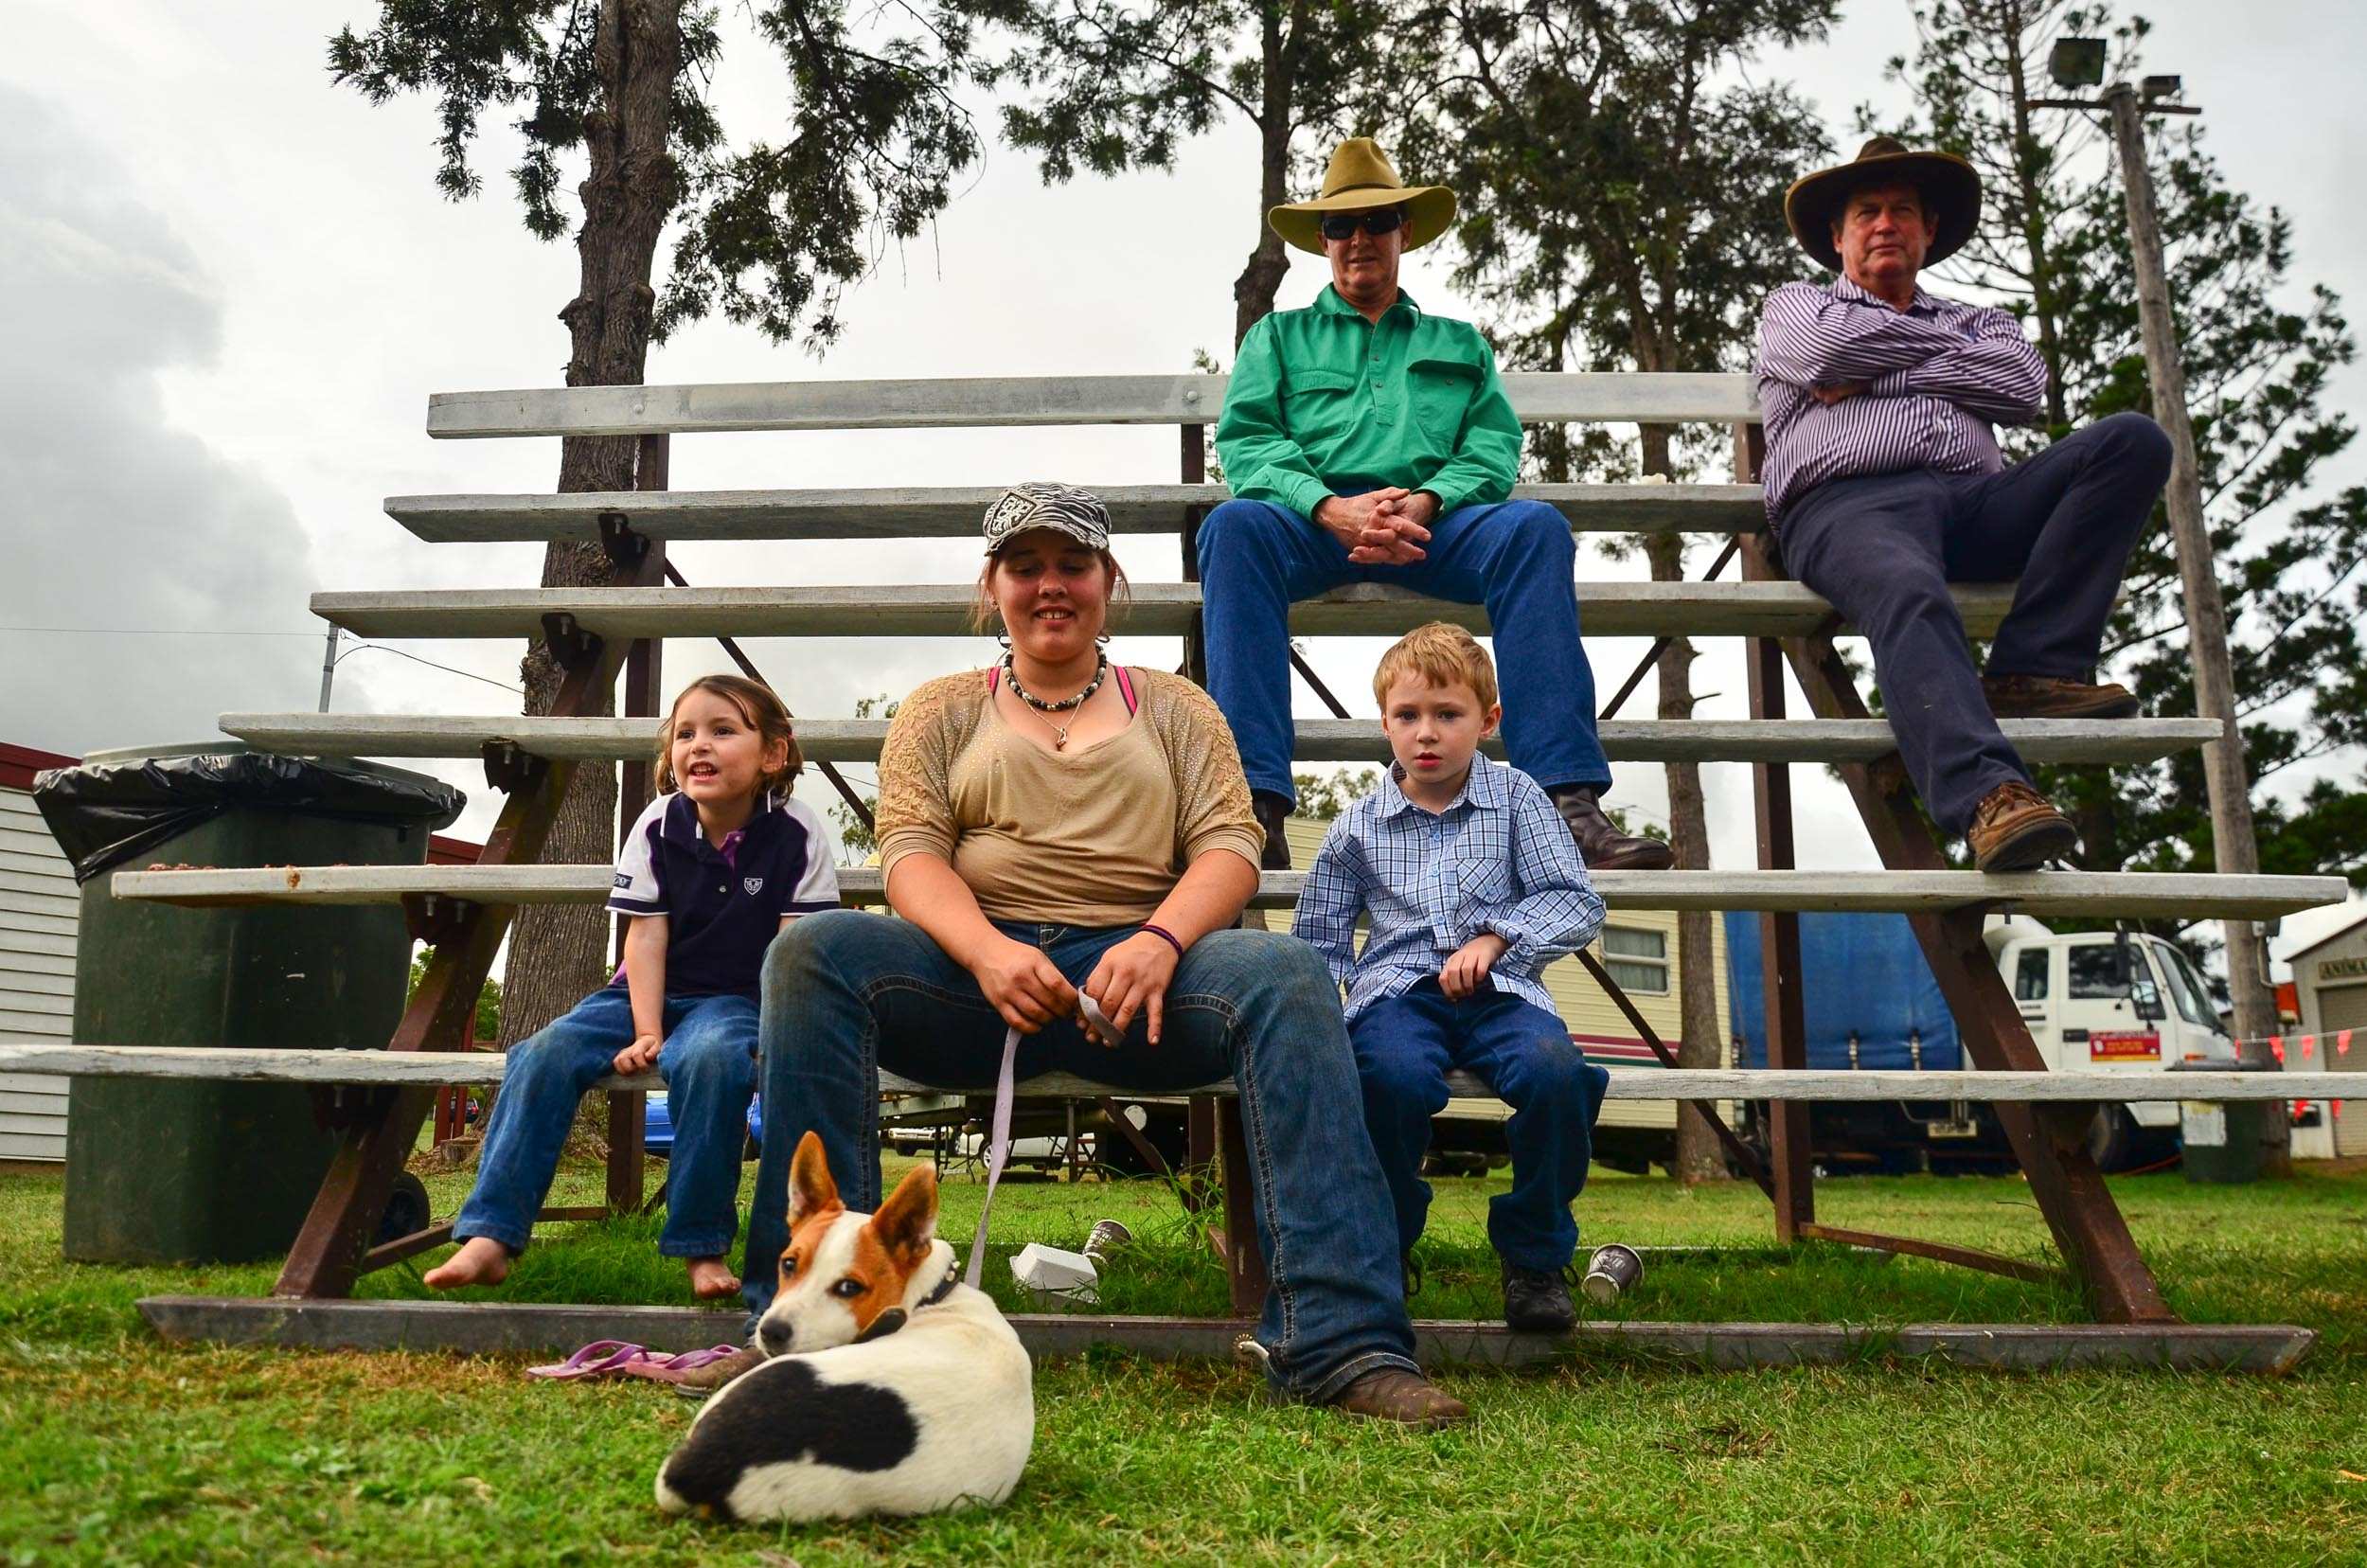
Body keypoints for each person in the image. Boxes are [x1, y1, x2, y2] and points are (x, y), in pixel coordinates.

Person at [732, 482, 1468, 1427]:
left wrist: (1162, 939)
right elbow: (911, 855)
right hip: (972, 983)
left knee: (1286, 974)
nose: (1051, 586)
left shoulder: (1176, 706)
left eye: (1072, 566)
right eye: (1025, 567)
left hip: (1145, 986)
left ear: (1108, 582)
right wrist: (990, 953)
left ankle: (1339, 1343)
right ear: (990, 586)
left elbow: (1229, 849)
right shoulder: (940, 708)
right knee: (815, 953)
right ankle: (812, 1327)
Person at [1198, 135, 1671, 876]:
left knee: (1534, 528)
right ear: (1322, 240)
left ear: (1403, 232)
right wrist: (1329, 507)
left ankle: (1566, 806)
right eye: (1340, 226)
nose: (1358, 239)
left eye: (1377, 221)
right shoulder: (1277, 337)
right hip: (1313, 527)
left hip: (1440, 530)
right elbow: (1250, 444)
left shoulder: (1459, 342)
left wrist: (1427, 499)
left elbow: (1490, 448)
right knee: (1233, 529)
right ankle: (1251, 809)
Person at [1755, 136, 2173, 872]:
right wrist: (1942, 368)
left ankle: (2033, 667)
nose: (1885, 224)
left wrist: (1880, 371)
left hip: (1976, 502)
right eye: (1867, 213)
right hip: (1847, 506)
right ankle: (1990, 798)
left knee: (2131, 441)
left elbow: (2020, 388)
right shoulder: (1798, 305)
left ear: (1928, 232)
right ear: (1838, 236)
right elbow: (1822, 359)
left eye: (1903, 211)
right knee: (1909, 587)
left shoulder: (1982, 321)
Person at [425, 675, 839, 1298]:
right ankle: (491, 1233)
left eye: (723, 731)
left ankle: (700, 1246)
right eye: (685, 733)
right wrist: (646, 1030)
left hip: (733, 1001)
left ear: (773, 754)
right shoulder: (657, 823)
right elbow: (644, 938)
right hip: (637, 992)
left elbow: (789, 954)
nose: (699, 745)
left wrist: (734, 1033)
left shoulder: (798, 832)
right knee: (541, 1052)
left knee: (710, 1060)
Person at [1293, 623, 1610, 1332]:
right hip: (1399, 997)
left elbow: (1575, 899)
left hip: (1505, 995)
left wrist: (1501, 938)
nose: (1426, 734)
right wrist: (1325, 1019)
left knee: (1557, 1073)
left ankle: (1534, 1257)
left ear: (1488, 720)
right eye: (1407, 716)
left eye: (1448, 715)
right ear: (1384, 724)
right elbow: (1319, 939)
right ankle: (1383, 1247)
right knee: (1386, 1079)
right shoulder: (1358, 826)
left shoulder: (1518, 799)